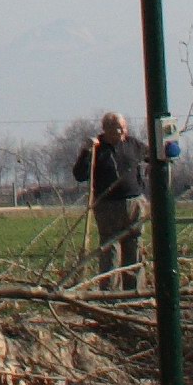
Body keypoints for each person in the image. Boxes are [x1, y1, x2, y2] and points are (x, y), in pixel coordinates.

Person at [72, 109, 151, 291]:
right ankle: (110, 292)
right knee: (110, 248)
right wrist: (86, 152)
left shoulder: (133, 145)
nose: (123, 132)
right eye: (118, 129)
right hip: (108, 206)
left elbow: (152, 156)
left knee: (135, 245)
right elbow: (79, 175)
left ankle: (135, 291)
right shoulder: (97, 149)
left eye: (124, 127)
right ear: (106, 129)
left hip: (135, 203)